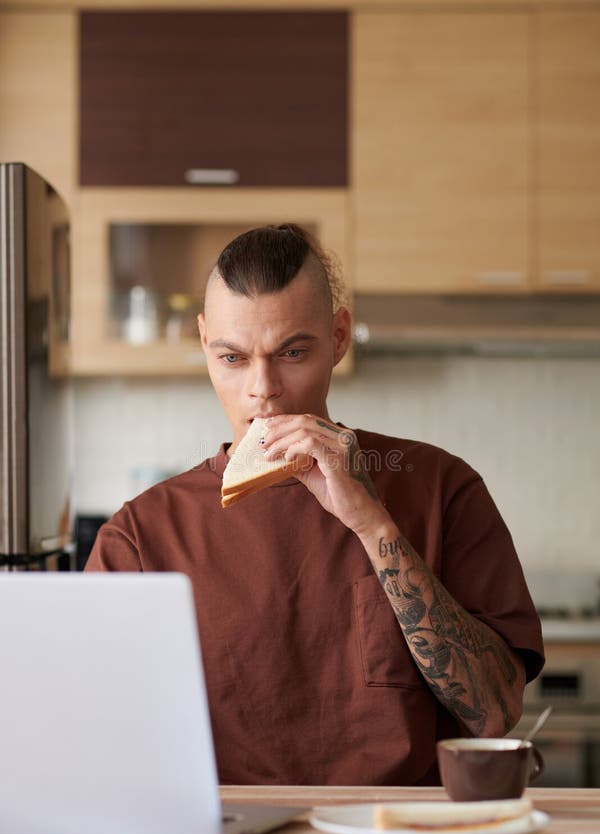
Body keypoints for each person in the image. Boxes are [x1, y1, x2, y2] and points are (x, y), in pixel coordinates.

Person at [86, 223, 544, 786]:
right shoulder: (141, 533)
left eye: (293, 352)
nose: (263, 390)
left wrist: (372, 523)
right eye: (233, 359)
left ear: (339, 337)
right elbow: (92, 743)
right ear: (205, 344)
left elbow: (495, 712)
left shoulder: (442, 487)